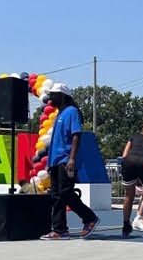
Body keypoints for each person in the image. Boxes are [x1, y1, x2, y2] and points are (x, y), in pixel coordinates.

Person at [41, 82, 100, 239]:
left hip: (66, 158)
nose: (50, 97)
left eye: (53, 94)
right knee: (56, 196)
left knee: (65, 192)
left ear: (63, 96)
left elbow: (76, 135)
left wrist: (72, 158)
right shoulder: (60, 114)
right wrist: (49, 163)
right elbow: (55, 140)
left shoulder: (72, 111)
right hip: (55, 160)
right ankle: (60, 230)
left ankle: (90, 218)